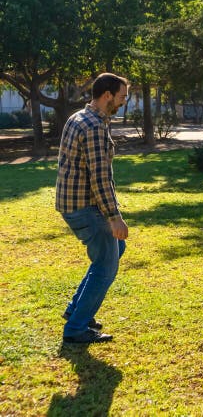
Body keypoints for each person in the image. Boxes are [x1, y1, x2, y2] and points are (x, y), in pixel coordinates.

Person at [56, 73, 129, 344]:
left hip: (73, 204)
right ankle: (76, 327)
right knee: (107, 265)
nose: (124, 102)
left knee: (114, 250)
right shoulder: (94, 127)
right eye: (122, 97)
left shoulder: (80, 117)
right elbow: (99, 178)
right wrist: (115, 217)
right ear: (107, 95)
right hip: (86, 207)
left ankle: (77, 309)